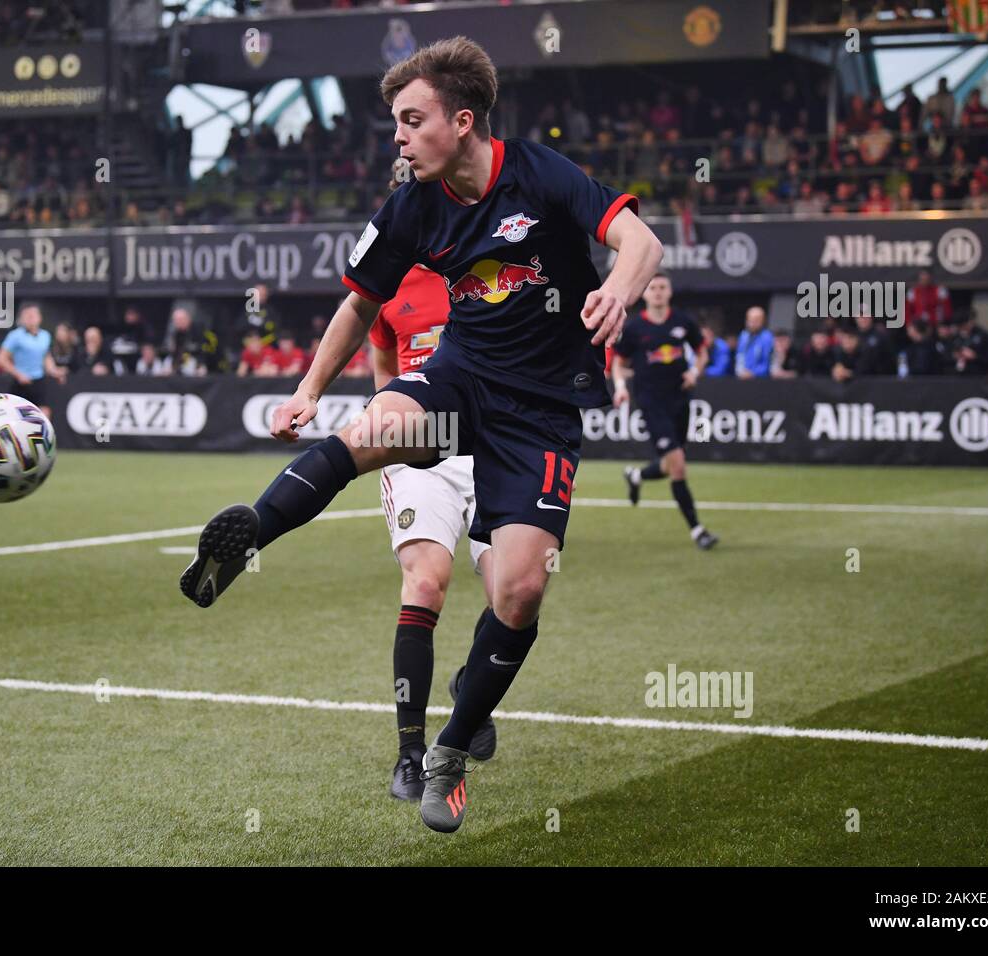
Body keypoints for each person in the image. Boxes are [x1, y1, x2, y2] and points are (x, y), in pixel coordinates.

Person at [177, 36, 663, 834]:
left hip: (539, 413)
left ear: (462, 121)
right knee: (372, 430)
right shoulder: (410, 204)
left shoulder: (541, 174)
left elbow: (641, 243)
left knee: (519, 591)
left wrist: (618, 289)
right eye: (394, 123)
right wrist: (307, 389)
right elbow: (359, 305)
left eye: (411, 120)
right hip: (459, 380)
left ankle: (450, 750)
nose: (397, 138)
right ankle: (246, 536)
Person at [369, 248, 496, 801]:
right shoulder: (386, 283)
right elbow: (383, 371)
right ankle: (409, 753)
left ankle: (471, 686)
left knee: (513, 595)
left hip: (491, 441)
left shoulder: (488, 263)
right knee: (424, 582)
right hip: (422, 445)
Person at [612, 274, 717, 551]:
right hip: (651, 401)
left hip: (680, 399)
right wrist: (621, 387)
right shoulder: (634, 328)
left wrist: (694, 372)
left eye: (662, 287)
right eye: (652, 288)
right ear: (645, 294)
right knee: (678, 464)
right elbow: (618, 364)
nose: (657, 292)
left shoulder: (683, 322)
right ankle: (697, 530)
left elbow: (702, 352)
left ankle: (636, 476)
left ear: (669, 292)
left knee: (672, 463)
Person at [0, 304, 66, 419]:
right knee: (15, 415)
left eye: (33, 315)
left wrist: (54, 371)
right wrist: (18, 374)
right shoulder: (15, 336)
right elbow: (1, 359)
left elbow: (46, 357)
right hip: (20, 383)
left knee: (44, 413)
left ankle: (42, 436)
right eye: (27, 316)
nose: (30, 318)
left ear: (40, 318)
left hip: (38, 380)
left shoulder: (45, 336)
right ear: (22, 319)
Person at [734, 307, 774, 378]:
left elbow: (767, 362)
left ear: (763, 321)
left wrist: (753, 373)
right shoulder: (743, 335)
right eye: (750, 320)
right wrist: (740, 371)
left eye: (756, 320)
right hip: (743, 377)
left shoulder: (767, 337)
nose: (752, 324)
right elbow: (740, 355)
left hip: (760, 380)